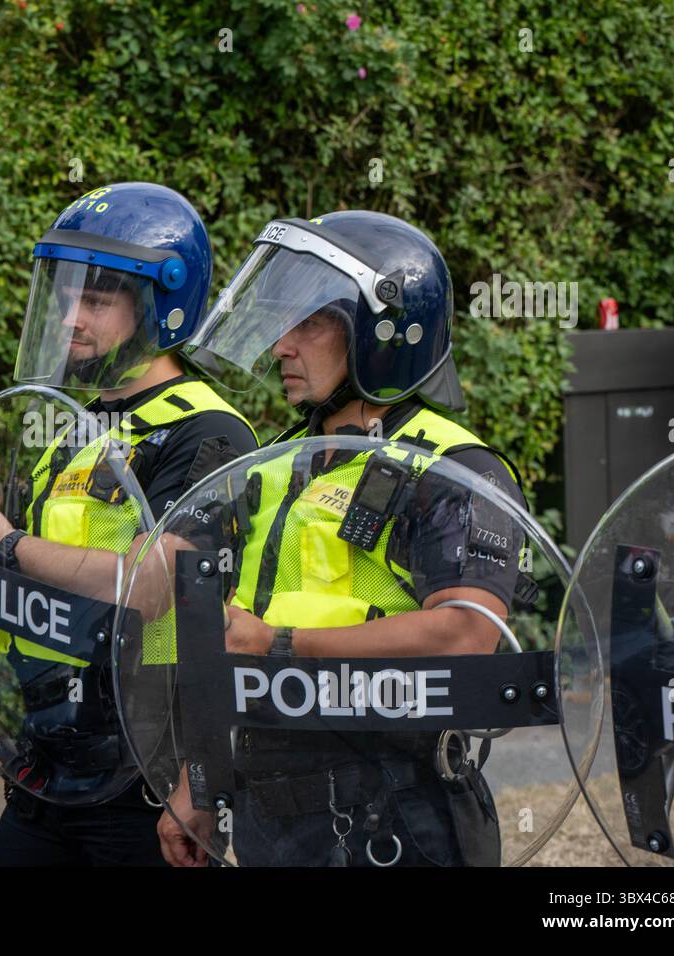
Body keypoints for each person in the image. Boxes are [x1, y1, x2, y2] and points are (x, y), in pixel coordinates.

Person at [159, 209, 528, 867]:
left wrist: (281, 645)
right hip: (270, 804)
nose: (281, 346)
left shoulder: (454, 467)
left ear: (382, 334)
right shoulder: (279, 464)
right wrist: (201, 779)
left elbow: (468, 634)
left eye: (311, 323)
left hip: (398, 810)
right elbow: (231, 628)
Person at [0, 183, 257, 866]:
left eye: (95, 301)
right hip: (50, 757)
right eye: (66, 297)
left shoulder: (208, 431)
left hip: (141, 773)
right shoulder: (80, 427)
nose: (71, 317)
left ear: (160, 306)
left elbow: (155, 583)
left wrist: (6, 544)